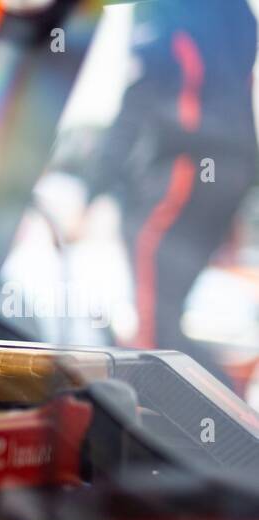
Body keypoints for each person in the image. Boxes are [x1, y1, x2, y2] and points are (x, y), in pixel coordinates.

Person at [81, 0, 258, 380]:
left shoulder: (163, 9)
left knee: (153, 335)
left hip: (188, 162)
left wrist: (91, 183)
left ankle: (224, 426)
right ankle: (231, 418)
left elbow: (141, 91)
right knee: (164, 320)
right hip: (231, 166)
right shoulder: (238, 13)